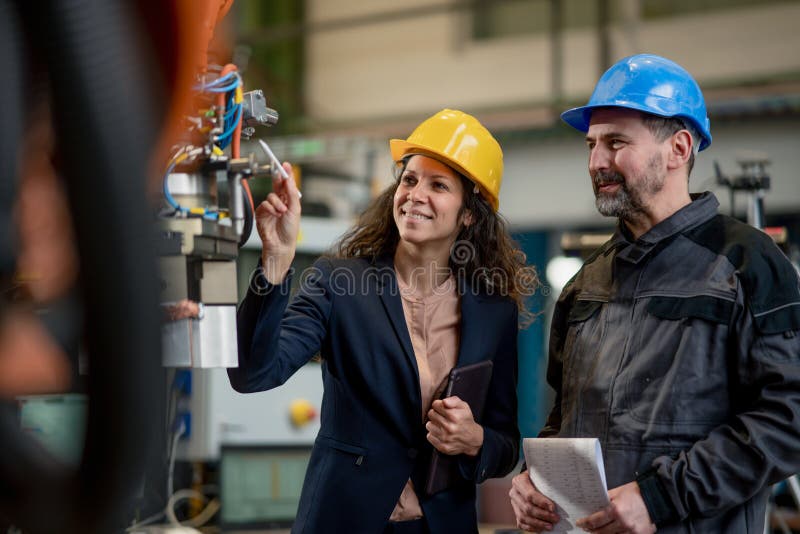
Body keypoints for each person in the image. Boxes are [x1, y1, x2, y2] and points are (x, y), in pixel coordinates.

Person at [509, 54, 800, 533]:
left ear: (678, 148)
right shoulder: (587, 282)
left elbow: (788, 418)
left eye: (616, 142)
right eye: (591, 145)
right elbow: (564, 419)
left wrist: (660, 498)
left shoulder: (747, 264)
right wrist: (535, 479)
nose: (596, 162)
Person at [230, 109, 537, 533]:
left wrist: (475, 439)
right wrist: (276, 262)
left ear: (469, 213)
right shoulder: (338, 283)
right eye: (409, 180)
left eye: (438, 185)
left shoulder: (493, 311)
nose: (415, 195)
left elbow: (505, 444)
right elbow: (252, 374)